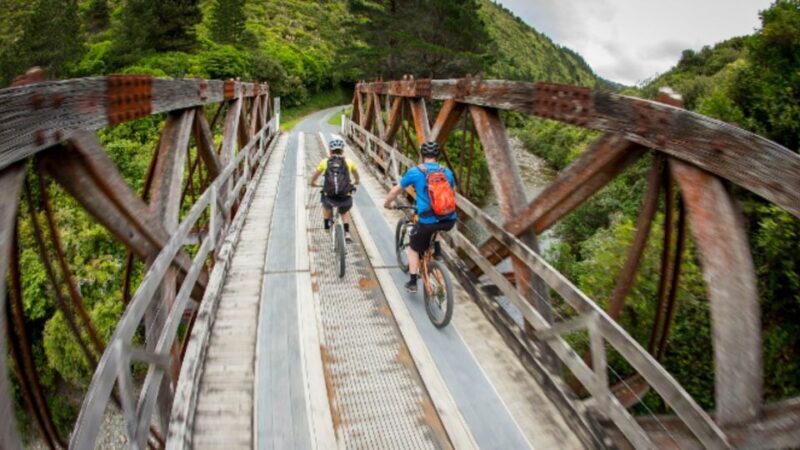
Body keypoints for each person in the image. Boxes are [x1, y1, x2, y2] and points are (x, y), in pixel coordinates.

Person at [383, 141, 457, 293]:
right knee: (437, 224)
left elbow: (395, 191)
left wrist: (387, 203)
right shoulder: (447, 172)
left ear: (422, 155)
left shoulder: (415, 172)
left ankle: (412, 282)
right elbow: (452, 194)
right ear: (438, 156)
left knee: (413, 248)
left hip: (427, 221)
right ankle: (437, 252)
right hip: (449, 219)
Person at [310, 138, 360, 242]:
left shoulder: (325, 162)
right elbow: (356, 175)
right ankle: (346, 232)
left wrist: (313, 183)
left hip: (330, 196)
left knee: (325, 205)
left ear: (330, 151)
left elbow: (315, 175)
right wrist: (356, 181)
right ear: (342, 151)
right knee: (344, 211)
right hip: (345, 195)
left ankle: (327, 226)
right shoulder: (349, 162)